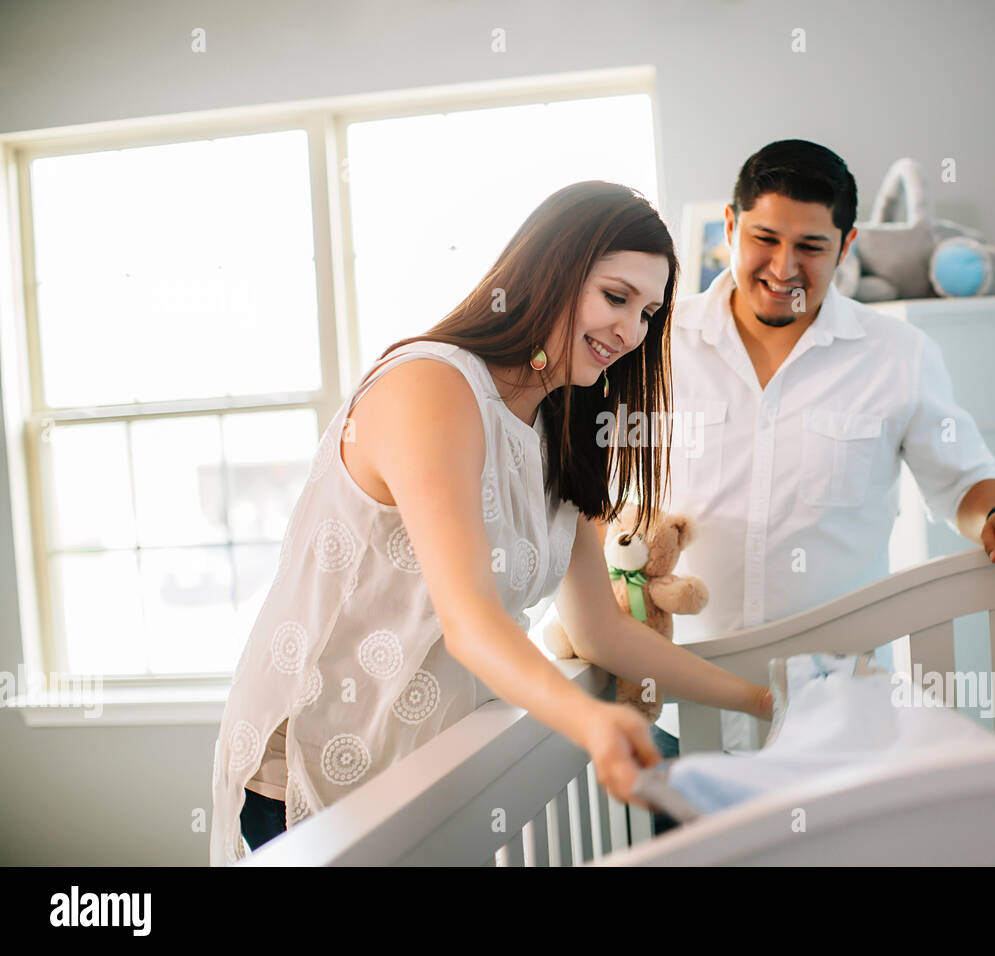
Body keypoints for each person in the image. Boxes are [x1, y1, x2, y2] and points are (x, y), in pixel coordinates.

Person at [210, 180, 773, 865]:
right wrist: (593, 723)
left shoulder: (559, 426)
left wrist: (764, 699)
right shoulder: (432, 387)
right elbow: (471, 622)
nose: (631, 332)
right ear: (549, 273)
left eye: (650, 312)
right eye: (615, 297)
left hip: (419, 761)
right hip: (311, 766)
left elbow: (601, 630)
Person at [654, 140, 995, 751]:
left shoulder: (898, 355)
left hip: (838, 710)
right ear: (731, 227)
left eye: (811, 246)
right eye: (764, 238)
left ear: (847, 247)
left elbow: (964, 480)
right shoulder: (656, 345)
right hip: (681, 709)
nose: (783, 268)